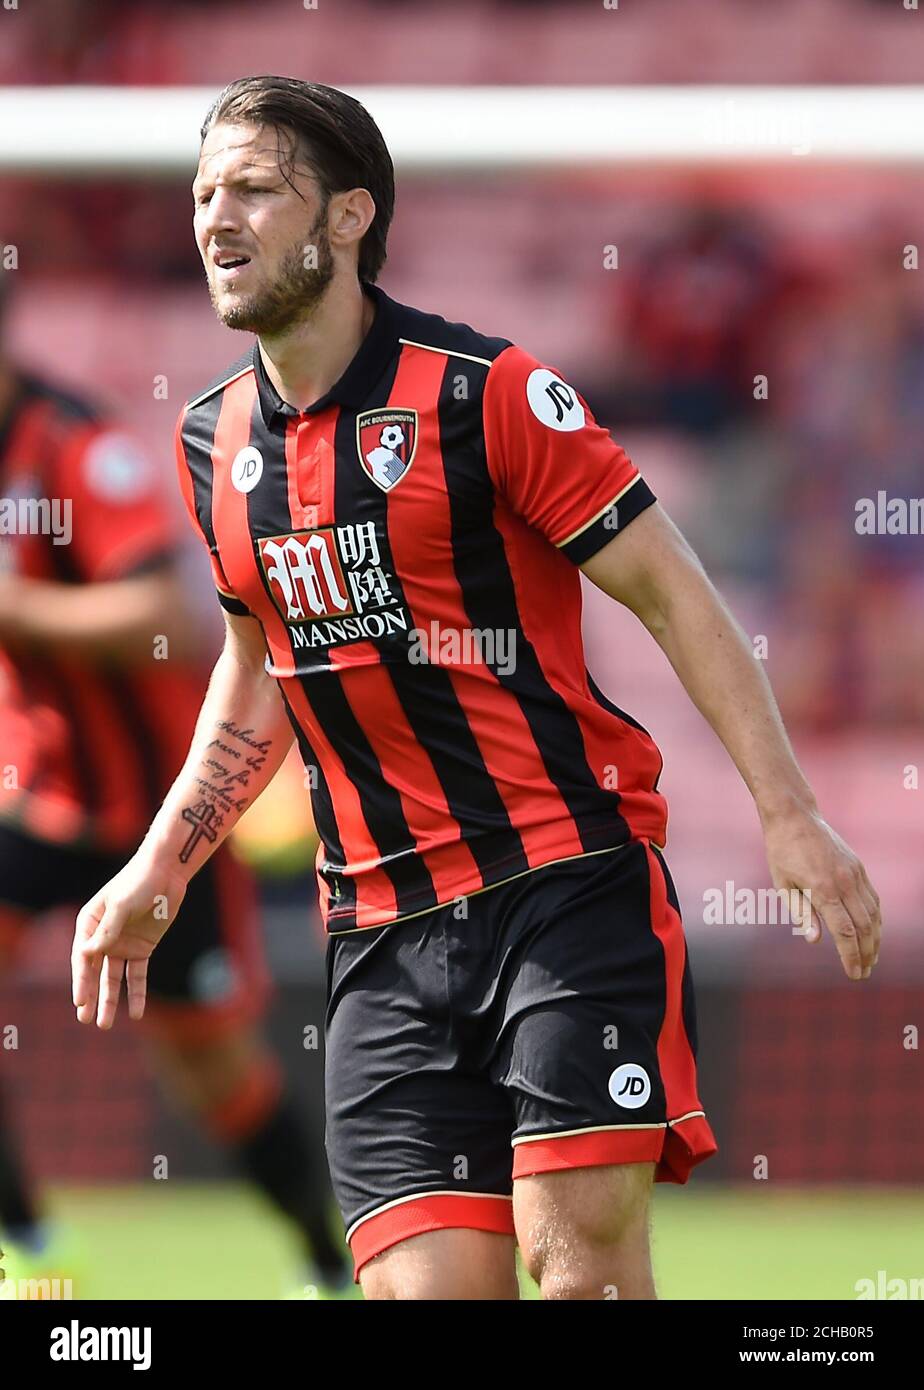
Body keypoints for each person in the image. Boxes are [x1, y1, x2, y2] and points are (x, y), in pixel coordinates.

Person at [71, 76, 882, 1302]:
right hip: (381, 932)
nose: (212, 219)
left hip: (562, 882)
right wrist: (162, 865)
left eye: (250, 188)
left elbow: (671, 589)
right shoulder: (213, 442)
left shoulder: (483, 391)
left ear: (348, 216)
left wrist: (786, 809)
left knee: (579, 1268)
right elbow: (258, 667)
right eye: (200, 194)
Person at [0, 290, 349, 1295]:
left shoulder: (75, 447)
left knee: (211, 1069)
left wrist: (18, 607)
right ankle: (30, 1247)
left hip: (158, 809)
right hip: (36, 794)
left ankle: (328, 1265)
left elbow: (167, 614)